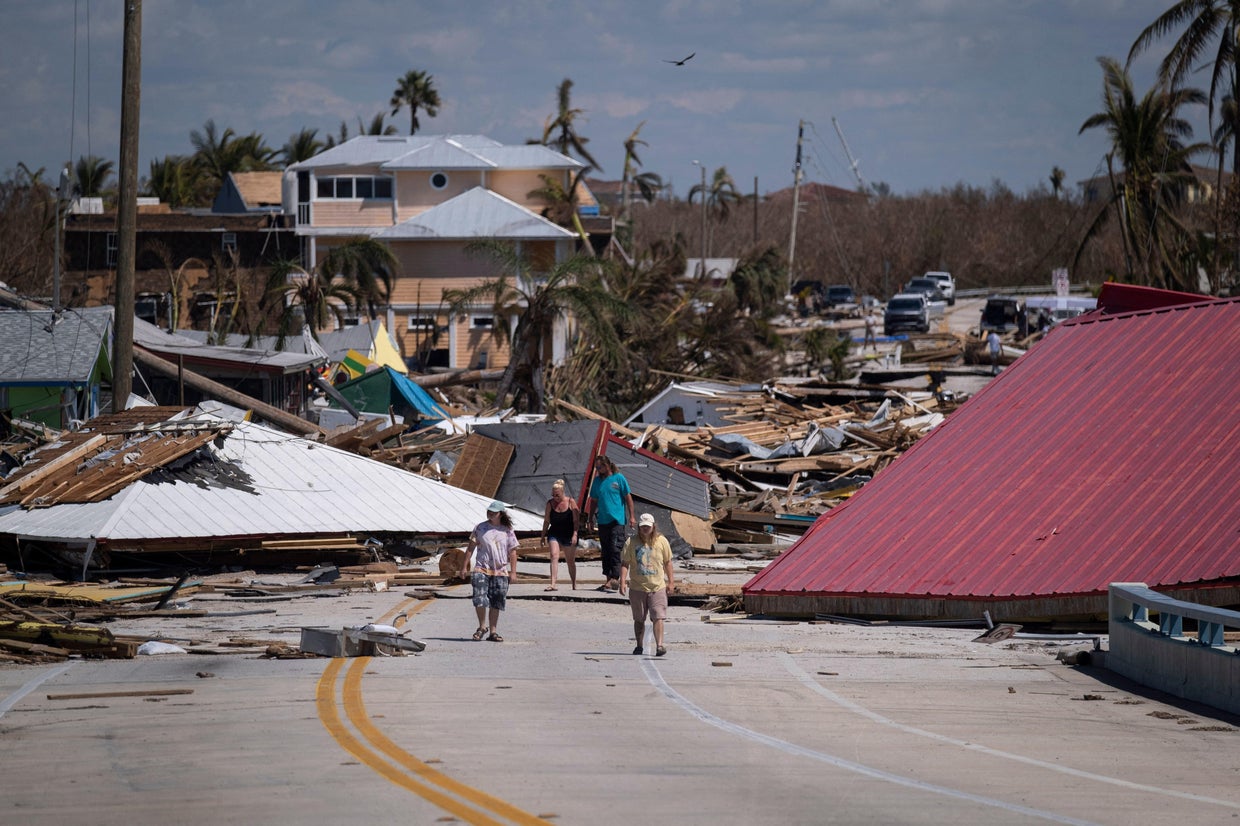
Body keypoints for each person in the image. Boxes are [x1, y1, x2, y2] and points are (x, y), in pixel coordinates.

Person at [459, 499, 519, 642]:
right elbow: (470, 548)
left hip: (500, 571)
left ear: (500, 514)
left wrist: (513, 572)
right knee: (479, 598)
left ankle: (493, 631)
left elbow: (513, 552)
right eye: (489, 511)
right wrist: (463, 567)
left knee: (496, 601)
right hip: (481, 568)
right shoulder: (480, 528)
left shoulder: (507, 530)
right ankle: (482, 627)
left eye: (494, 512)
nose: (490, 514)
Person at [619, 513, 674, 656]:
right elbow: (625, 563)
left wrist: (671, 582)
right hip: (638, 587)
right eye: (642, 526)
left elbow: (668, 562)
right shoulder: (631, 542)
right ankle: (639, 645)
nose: (645, 529)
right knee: (639, 619)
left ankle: (660, 646)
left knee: (658, 616)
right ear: (639, 527)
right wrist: (622, 581)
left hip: (657, 586)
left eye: (647, 527)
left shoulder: (662, 541)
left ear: (653, 527)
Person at [585, 454, 635, 592]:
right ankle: (608, 579)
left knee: (615, 548)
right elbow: (593, 501)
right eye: (596, 467)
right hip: (603, 520)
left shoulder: (618, 478)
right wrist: (590, 519)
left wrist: (632, 516)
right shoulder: (597, 482)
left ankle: (615, 577)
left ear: (607, 466)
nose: (598, 469)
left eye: (600, 467)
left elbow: (628, 498)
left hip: (617, 520)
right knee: (606, 550)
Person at [541, 479, 579, 591]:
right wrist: (543, 535)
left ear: (563, 492)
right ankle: (553, 583)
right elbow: (546, 521)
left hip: (568, 533)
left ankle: (573, 583)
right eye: (553, 495)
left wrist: (575, 534)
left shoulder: (571, 502)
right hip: (554, 533)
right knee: (554, 555)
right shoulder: (550, 503)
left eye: (557, 495)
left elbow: (576, 521)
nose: (555, 497)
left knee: (570, 561)